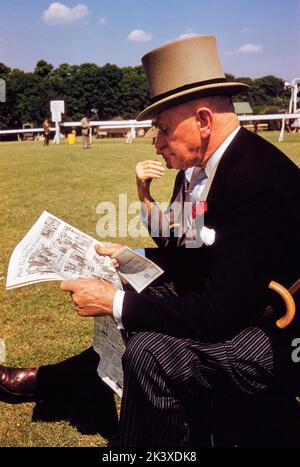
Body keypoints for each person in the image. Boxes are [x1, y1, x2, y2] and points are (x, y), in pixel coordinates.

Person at [1, 35, 299, 446]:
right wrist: (129, 256)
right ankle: (78, 382)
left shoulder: (256, 182)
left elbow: (219, 313)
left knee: (149, 350)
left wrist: (115, 302)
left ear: (204, 120)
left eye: (161, 129)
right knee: (131, 293)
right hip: (240, 306)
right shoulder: (204, 168)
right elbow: (194, 255)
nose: (156, 143)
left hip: (279, 335)